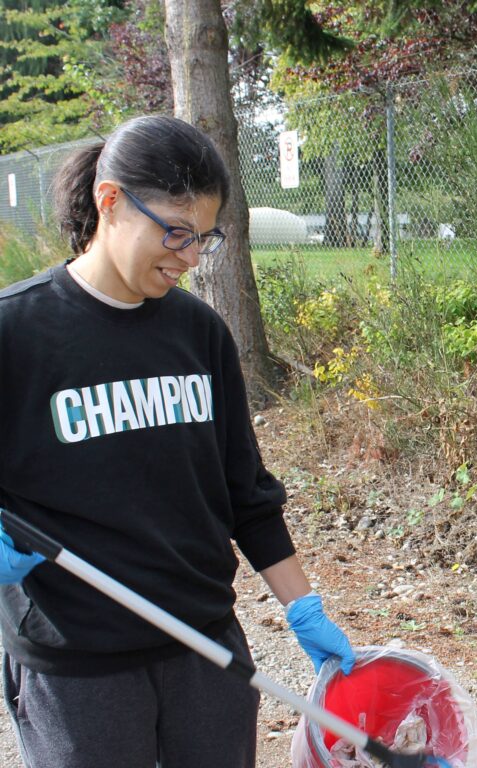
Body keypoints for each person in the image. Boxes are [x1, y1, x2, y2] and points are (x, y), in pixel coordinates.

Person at [0, 115, 356, 768]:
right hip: (80, 668)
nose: (190, 259)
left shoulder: (200, 335)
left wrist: (303, 605)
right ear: (109, 202)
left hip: (205, 650)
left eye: (204, 239)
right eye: (174, 233)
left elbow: (244, 492)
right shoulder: (16, 334)